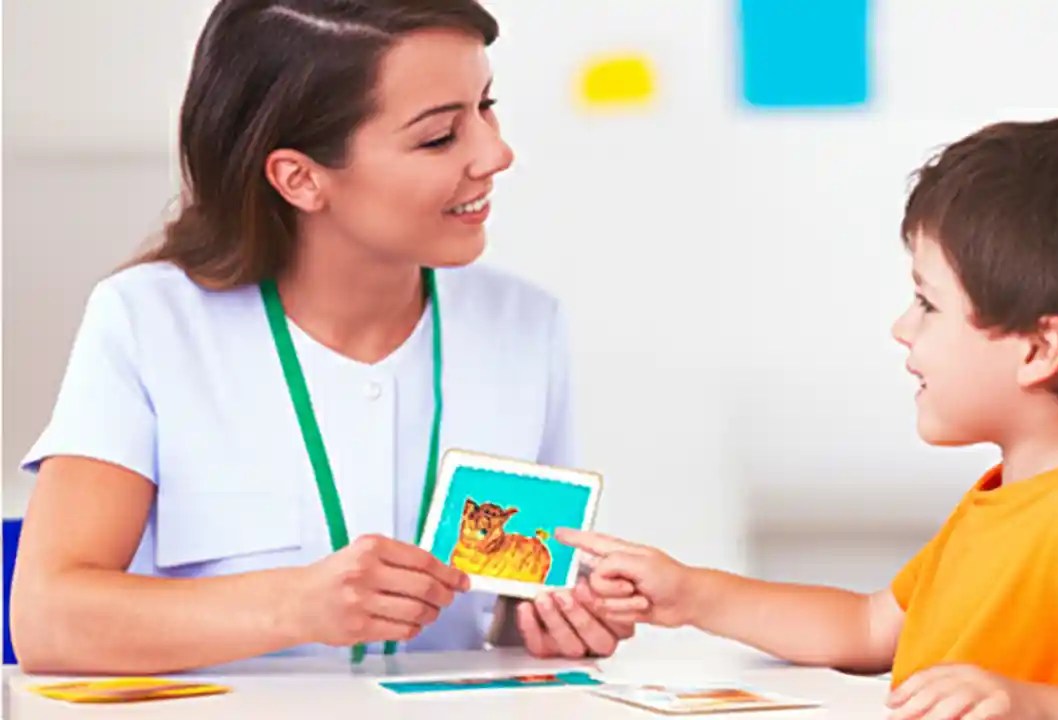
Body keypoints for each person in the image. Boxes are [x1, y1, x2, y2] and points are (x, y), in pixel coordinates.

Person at [10, 0, 633, 675]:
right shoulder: (149, 322)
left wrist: (552, 621)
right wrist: (295, 605)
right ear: (299, 178)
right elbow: (49, 619)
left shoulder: (523, 326)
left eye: (486, 107)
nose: (496, 153)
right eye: (438, 137)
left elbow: (514, 599)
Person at [561, 118, 1058, 720]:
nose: (901, 328)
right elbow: (867, 627)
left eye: (929, 304)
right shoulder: (1011, 496)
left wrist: (1032, 704)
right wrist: (690, 595)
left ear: (1037, 350)